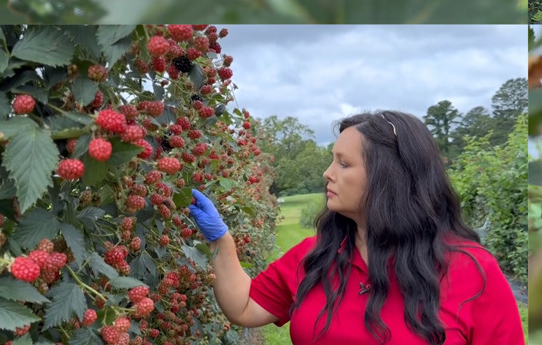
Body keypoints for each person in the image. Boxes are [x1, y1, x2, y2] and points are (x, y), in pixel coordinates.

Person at [188, 110, 524, 345]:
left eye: (344, 163)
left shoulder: (470, 271)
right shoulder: (316, 257)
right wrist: (221, 240)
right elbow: (245, 306)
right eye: (332, 159)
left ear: (389, 177)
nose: (327, 173)